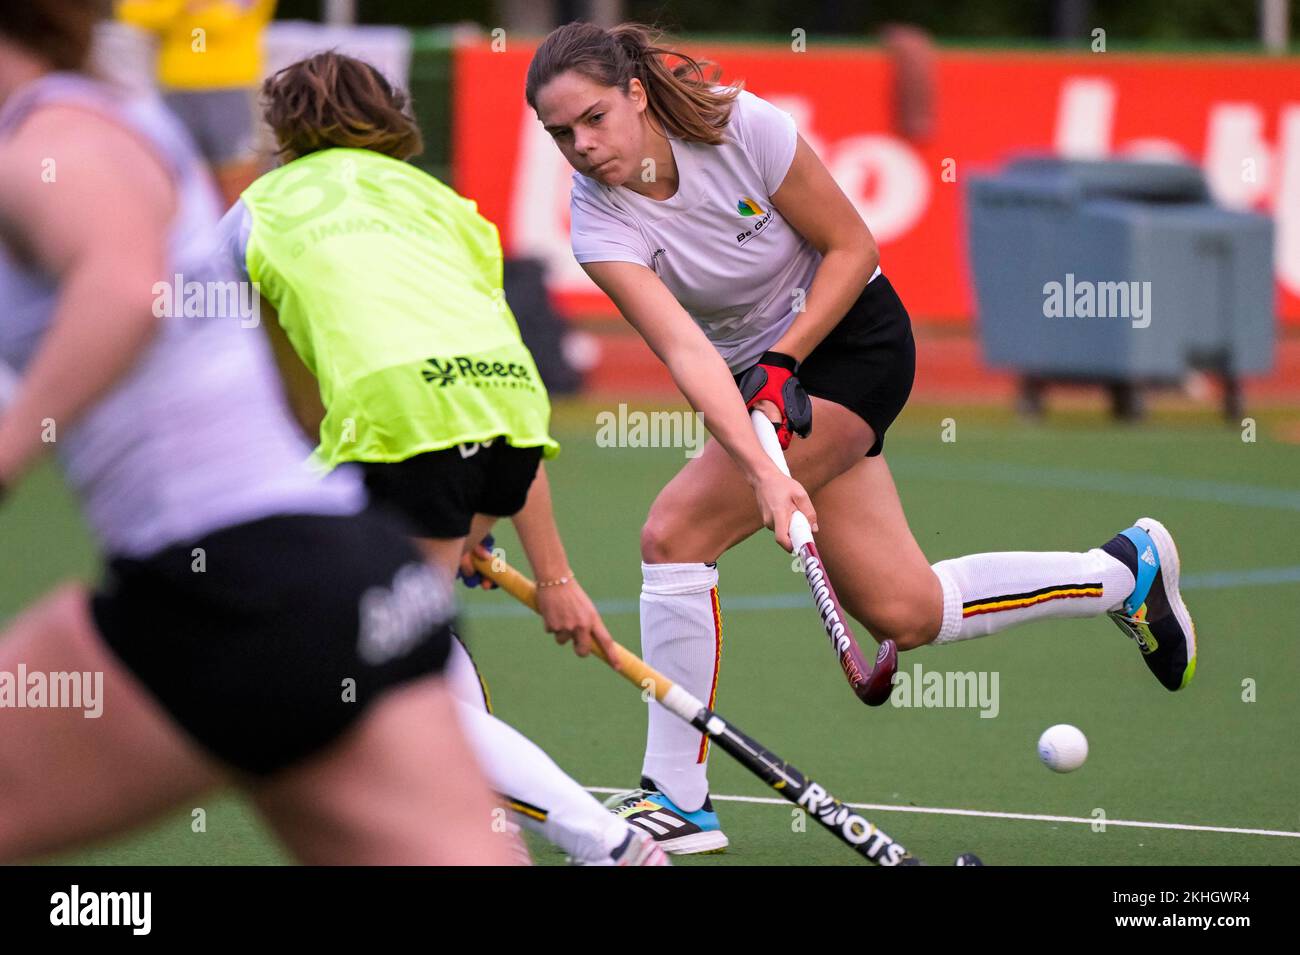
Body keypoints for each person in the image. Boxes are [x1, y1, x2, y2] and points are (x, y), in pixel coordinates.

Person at [526, 21, 1199, 854]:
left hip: (853, 342)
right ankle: (1119, 574)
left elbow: (852, 246)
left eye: (593, 118)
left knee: (675, 532)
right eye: (560, 134)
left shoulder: (741, 126)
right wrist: (760, 457)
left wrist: (784, 359)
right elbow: (685, 349)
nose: (581, 146)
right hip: (757, 384)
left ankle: (678, 796)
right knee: (905, 610)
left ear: (633, 93)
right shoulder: (597, 221)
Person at [0, 1, 516, 864]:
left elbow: (122, 288)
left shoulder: (46, 149)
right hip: (336, 571)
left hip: (221, 592)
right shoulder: (114, 118)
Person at [216, 51, 666, 865]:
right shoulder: (445, 203)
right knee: (402, 642)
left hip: (400, 426)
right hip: (507, 415)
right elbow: (495, 389)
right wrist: (554, 577)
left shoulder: (260, 207)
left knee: (389, 668)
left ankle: (605, 840)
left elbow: (229, 363)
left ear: (285, 128)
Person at [115, 0, 275, 205]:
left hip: (229, 84)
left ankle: (239, 236)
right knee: (179, 175)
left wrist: (174, 14)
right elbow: (134, 14)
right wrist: (187, 8)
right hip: (175, 87)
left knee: (236, 175)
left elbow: (221, 22)